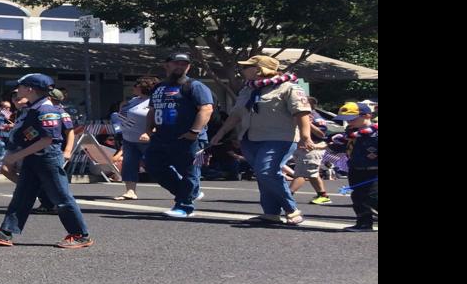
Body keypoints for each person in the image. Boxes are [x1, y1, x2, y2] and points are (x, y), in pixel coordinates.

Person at [0, 74, 92, 251]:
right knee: (22, 196)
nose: (17, 90)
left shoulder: (45, 110)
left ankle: (80, 235)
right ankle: (6, 232)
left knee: (61, 197)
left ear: (30, 89)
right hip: (34, 158)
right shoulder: (34, 108)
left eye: (20, 86)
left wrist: (15, 156)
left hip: (47, 158)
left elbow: (47, 140)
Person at [207, 55, 312, 226]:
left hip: (280, 138)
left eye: (247, 67)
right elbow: (236, 114)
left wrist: (305, 136)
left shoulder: (288, 87)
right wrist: (221, 133)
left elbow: (302, 112)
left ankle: (291, 209)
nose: (242, 70)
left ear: (260, 69)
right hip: (250, 138)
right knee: (263, 176)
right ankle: (271, 213)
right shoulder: (247, 89)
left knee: (267, 171)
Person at [142, 53, 213, 219]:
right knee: (152, 165)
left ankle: (184, 206)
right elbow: (152, 111)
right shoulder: (159, 87)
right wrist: (148, 130)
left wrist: (194, 132)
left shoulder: (194, 86)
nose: (180, 66)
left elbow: (206, 109)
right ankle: (188, 193)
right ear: (167, 65)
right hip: (162, 136)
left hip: (188, 137)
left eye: (184, 64)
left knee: (189, 171)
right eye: (176, 63)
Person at [330, 101, 377, 232]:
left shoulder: (375, 132)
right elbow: (344, 147)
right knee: (358, 197)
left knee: (373, 197)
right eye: (346, 120)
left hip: (374, 170)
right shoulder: (350, 133)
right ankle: (363, 223)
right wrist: (333, 144)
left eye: (352, 119)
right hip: (355, 169)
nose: (349, 122)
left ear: (367, 115)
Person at [111, 77, 155, 200]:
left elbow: (158, 120)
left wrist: (149, 132)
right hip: (129, 138)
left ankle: (182, 186)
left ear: (144, 88)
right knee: (129, 165)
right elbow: (122, 114)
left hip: (146, 139)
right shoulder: (134, 100)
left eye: (136, 85)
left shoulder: (153, 102)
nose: (133, 87)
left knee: (156, 165)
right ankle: (130, 191)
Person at [290, 96, 333, 205]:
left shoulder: (315, 117)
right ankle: (322, 195)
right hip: (302, 148)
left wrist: (308, 123)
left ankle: (287, 195)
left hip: (313, 147)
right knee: (312, 173)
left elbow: (322, 134)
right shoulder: (298, 114)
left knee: (301, 173)